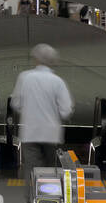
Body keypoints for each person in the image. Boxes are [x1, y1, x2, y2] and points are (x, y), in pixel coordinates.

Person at [11, 43, 74, 178]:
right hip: (51, 134)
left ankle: (31, 198)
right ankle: (49, 197)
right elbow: (66, 110)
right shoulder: (58, 81)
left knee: (32, 170)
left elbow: (15, 103)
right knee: (51, 171)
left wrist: (28, 110)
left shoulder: (25, 77)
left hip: (30, 132)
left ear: (37, 59)